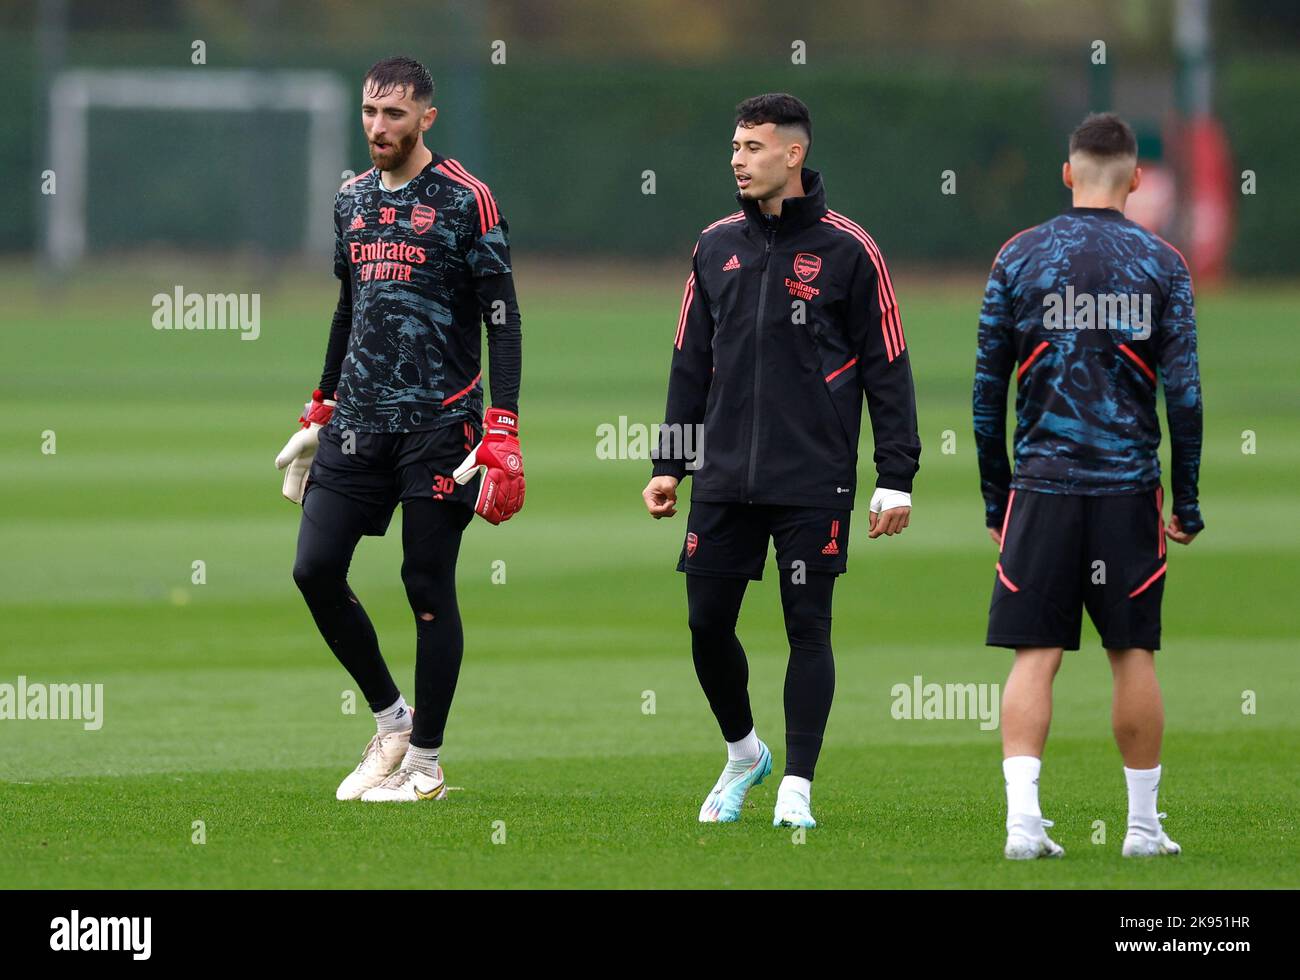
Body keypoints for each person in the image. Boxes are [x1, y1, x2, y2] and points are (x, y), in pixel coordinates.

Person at [643, 93, 921, 829]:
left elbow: (888, 367)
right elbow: (689, 361)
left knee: (808, 626)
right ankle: (744, 753)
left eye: (753, 146)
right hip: (726, 475)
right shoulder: (714, 246)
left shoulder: (849, 251)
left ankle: (797, 783)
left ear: (792, 154)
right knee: (706, 623)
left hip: (812, 477)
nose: (738, 159)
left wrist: (897, 476)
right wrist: (670, 461)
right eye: (734, 146)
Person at [275, 56, 524, 803]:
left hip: (441, 427)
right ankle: (392, 722)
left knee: (426, 583)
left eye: (394, 114)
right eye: (370, 112)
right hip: (358, 422)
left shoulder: (466, 199)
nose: (379, 127)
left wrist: (503, 427)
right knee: (314, 569)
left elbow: (503, 320)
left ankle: (426, 764)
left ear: (426, 118)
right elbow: (349, 309)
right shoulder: (350, 200)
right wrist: (319, 408)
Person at [974, 111, 1202, 858]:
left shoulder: (1018, 256)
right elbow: (1186, 396)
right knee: (1132, 654)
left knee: (1033, 654)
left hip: (1039, 488)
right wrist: (1188, 501)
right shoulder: (1164, 264)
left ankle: (1022, 825)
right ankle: (1140, 829)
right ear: (1138, 179)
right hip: (1127, 490)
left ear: (1068, 174)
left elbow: (986, 392)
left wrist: (995, 498)